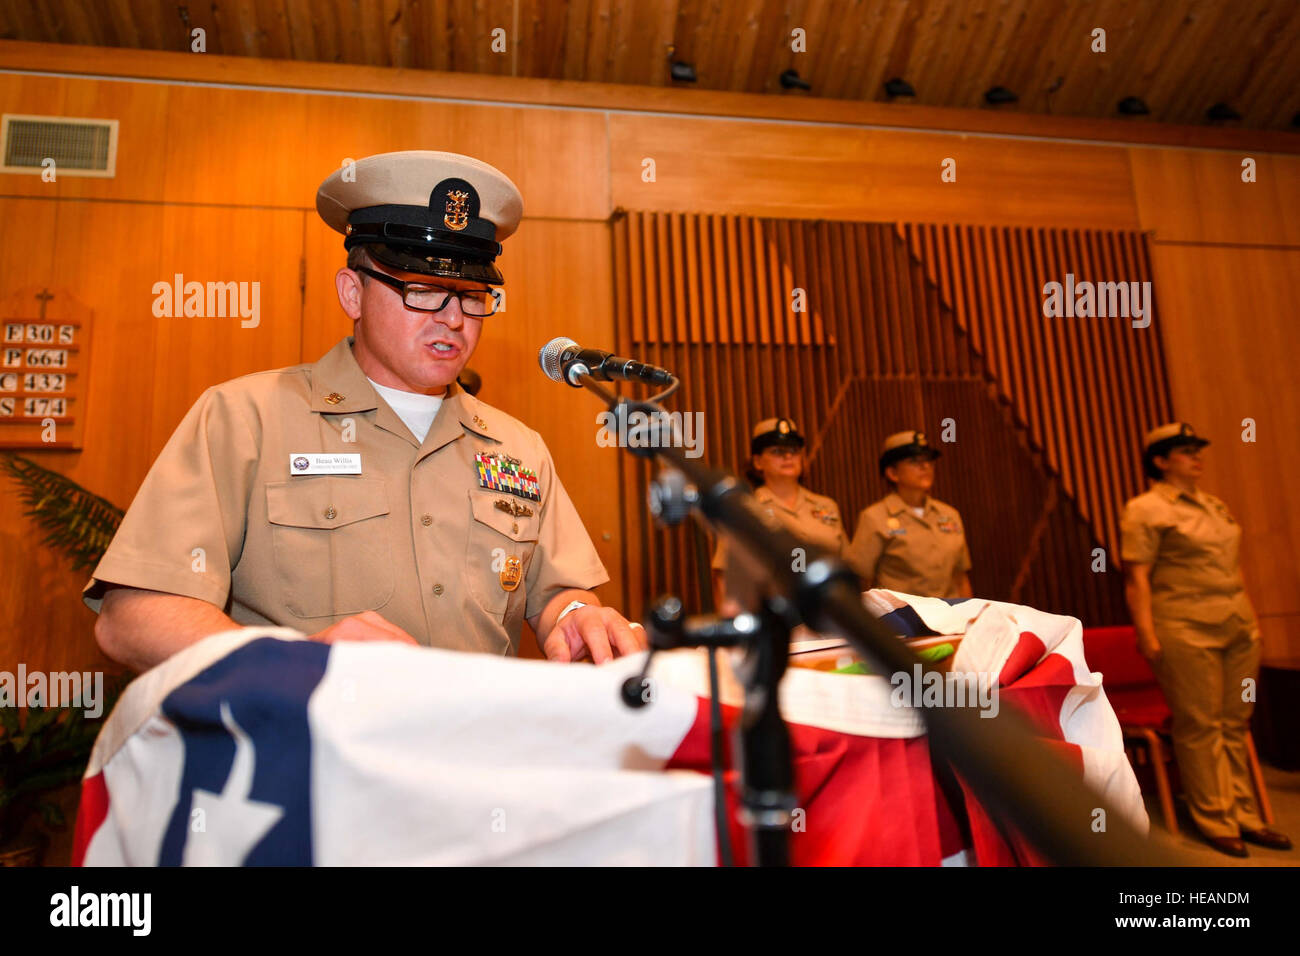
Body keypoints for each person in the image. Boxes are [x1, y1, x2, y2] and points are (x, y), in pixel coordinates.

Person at [85, 150, 644, 671]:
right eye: (423, 289)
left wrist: (578, 617)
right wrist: (300, 661)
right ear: (352, 293)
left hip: (470, 759)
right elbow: (133, 617)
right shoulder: (244, 419)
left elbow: (558, 595)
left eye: (473, 295)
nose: (453, 318)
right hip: (306, 761)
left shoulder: (518, 447)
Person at [1121, 422, 1290, 856]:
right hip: (1185, 627)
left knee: (1235, 723)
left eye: (1198, 449)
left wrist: (1251, 619)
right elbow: (1137, 577)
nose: (1197, 457)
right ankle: (1215, 818)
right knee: (1200, 725)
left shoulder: (1214, 505)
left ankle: (1247, 816)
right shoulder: (1145, 509)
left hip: (1235, 624)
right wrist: (1146, 634)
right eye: (1185, 450)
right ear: (1160, 461)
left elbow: (1232, 568)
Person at [711, 417, 847, 609]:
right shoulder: (745, 509)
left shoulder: (827, 506)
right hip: (774, 616)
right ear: (758, 462)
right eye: (778, 451)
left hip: (828, 615)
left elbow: (844, 564)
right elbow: (724, 576)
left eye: (794, 451)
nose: (788, 457)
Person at [846, 430, 972, 598]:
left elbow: (960, 578)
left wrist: (969, 619)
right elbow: (859, 579)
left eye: (928, 460)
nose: (925, 466)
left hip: (950, 618)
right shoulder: (875, 517)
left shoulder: (949, 514)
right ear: (893, 473)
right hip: (903, 620)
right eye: (914, 461)